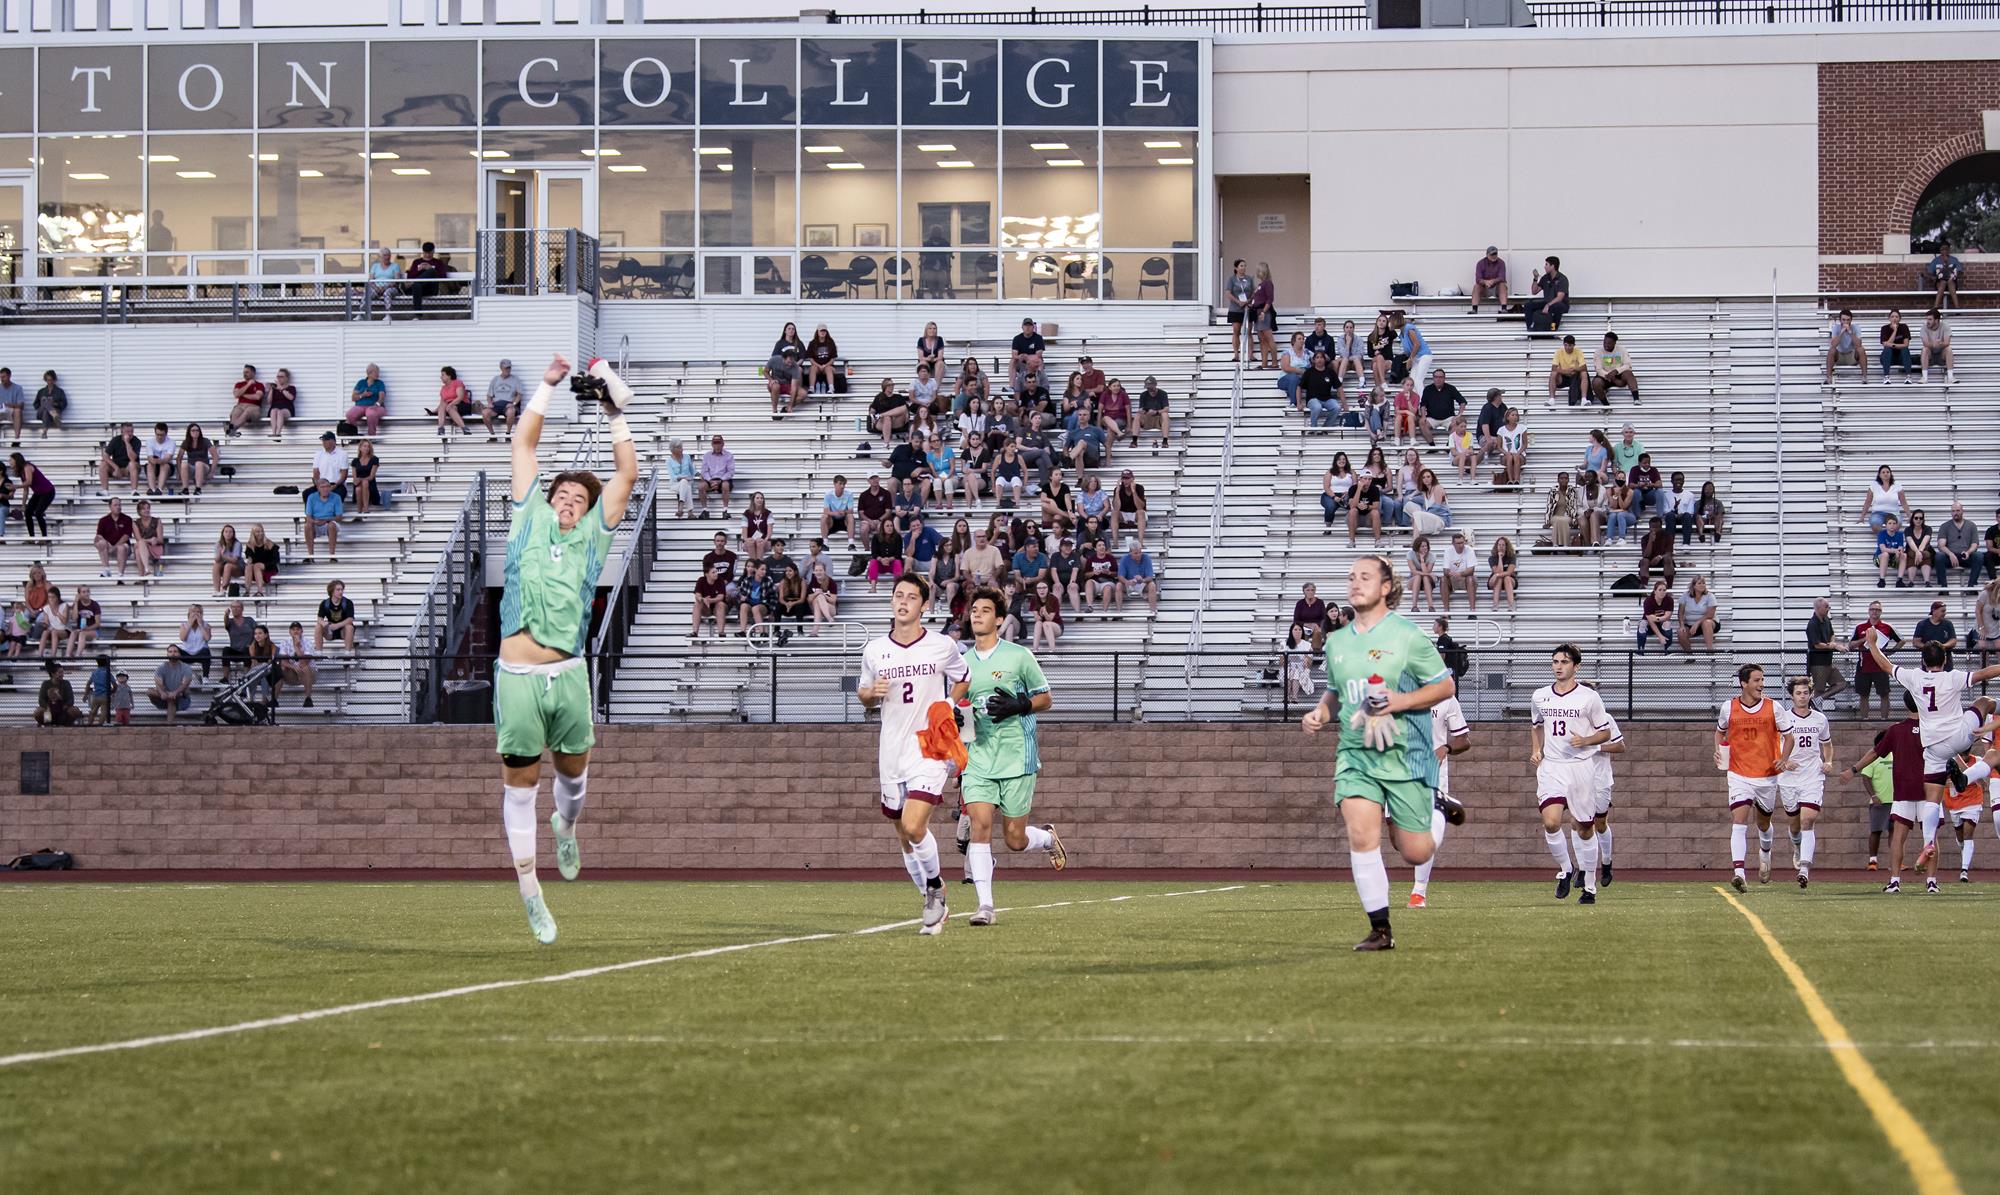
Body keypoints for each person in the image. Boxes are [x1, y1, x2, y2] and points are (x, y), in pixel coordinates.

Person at [494, 354, 639, 945]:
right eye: (564, 492)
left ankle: (568, 827)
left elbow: (625, 474)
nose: (570, 498)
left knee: (573, 779)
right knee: (519, 782)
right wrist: (547, 387)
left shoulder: (592, 535)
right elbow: (523, 444)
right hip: (518, 673)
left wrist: (613, 412)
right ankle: (530, 888)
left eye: (580, 495)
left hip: (570, 673)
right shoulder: (528, 511)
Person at [1302, 555, 1457, 950]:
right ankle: (1381, 929)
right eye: (1351, 576)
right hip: (1356, 754)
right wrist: (1320, 712)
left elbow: (1444, 688)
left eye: (1365, 577)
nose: (1355, 583)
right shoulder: (1336, 642)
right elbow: (1337, 693)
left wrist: (1401, 700)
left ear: (1386, 587)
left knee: (1416, 851)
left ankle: (1436, 806)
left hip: (1406, 754)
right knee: (1361, 833)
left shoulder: (1408, 636)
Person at [856, 574, 969, 936]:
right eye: (898, 595)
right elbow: (863, 695)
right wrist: (870, 693)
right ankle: (930, 897)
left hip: (928, 748)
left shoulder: (941, 646)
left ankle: (936, 888)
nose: (903, 601)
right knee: (904, 835)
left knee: (914, 824)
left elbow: (963, 677)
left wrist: (948, 703)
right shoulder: (874, 650)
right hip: (891, 751)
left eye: (911, 597)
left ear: (923, 605)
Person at [958, 585, 1065, 925]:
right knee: (980, 824)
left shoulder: (1020, 657)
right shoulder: (962, 663)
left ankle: (1046, 838)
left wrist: (1020, 704)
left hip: (1017, 756)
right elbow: (956, 707)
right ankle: (985, 906)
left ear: (1000, 619)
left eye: (985, 610)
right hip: (978, 757)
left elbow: (1046, 698)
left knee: (1015, 840)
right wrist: (959, 722)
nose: (977, 614)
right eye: (975, 610)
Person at [1531, 644, 1617, 903]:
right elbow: (1535, 725)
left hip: (1581, 767)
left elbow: (1606, 733)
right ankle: (1566, 869)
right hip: (1552, 766)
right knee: (1551, 822)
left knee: (1584, 829)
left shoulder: (1589, 698)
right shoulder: (1540, 695)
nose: (1558, 666)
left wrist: (1587, 740)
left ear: (1576, 666)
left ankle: (1589, 885)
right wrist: (1537, 749)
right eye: (1555, 661)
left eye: (1564, 662)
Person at [1716, 663, 1792, 892]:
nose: (1762, 684)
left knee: (1763, 823)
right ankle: (1739, 873)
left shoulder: (1774, 708)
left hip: (1767, 776)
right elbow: (1720, 731)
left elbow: (1789, 738)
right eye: (1757, 680)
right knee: (1739, 821)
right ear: (1744, 683)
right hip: (1739, 774)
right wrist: (1719, 750)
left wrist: (1783, 759)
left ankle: (1765, 852)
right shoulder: (1728, 708)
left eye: (1762, 679)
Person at [1776, 675, 1832, 888]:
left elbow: (1827, 744)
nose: (1802, 697)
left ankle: (1805, 869)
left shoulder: (1820, 719)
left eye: (1805, 693)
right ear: (1791, 696)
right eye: (1798, 693)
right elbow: (1773, 744)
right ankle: (1797, 848)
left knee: (1808, 820)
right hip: (1789, 778)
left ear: (1810, 695)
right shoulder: (1783, 719)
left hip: (1812, 776)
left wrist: (1828, 761)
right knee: (1794, 824)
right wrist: (1784, 760)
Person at [149, 644, 197, 723]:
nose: (173, 654)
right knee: (149, 691)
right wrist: (162, 693)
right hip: (163, 698)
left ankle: (169, 726)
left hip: (182, 699)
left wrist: (175, 693)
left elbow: (184, 684)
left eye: (175, 651)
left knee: (172, 699)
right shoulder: (162, 667)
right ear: (167, 654)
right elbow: (158, 683)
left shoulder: (185, 667)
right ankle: (169, 697)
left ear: (179, 654)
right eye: (170, 652)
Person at [274, 621, 317, 708]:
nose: (295, 631)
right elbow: (282, 661)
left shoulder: (308, 642)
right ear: (290, 632)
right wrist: (293, 666)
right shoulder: (285, 642)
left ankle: (308, 699)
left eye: (298, 629)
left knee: (305, 667)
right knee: (281, 668)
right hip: (292, 673)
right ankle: (274, 700)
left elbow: (304, 662)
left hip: (309, 674)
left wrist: (297, 647)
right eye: (293, 629)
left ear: (302, 631)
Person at [1822, 308, 1869, 386]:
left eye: (1848, 320)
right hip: (1839, 356)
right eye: (1843, 320)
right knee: (1831, 350)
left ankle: (1864, 377)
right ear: (1840, 320)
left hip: (1852, 356)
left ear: (1851, 320)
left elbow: (1858, 345)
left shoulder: (1856, 327)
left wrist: (1850, 332)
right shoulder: (1836, 327)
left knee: (1861, 349)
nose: (1845, 322)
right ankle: (1828, 378)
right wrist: (1841, 333)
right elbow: (1833, 344)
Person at [1522, 255, 1569, 333]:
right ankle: (1530, 328)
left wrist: (1548, 305)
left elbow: (1559, 298)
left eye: (1546, 264)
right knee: (1528, 305)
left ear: (1552, 266)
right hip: (1547, 303)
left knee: (1558, 307)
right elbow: (1534, 291)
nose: (1544, 267)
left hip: (1560, 304)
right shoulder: (1545, 278)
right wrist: (1535, 278)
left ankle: (1553, 329)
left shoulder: (1562, 279)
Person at [1590, 332, 1639, 405]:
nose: (1606, 345)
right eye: (1605, 342)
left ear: (1614, 343)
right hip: (1605, 376)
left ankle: (1636, 399)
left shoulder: (1622, 349)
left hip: (1619, 375)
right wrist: (1610, 376)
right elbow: (1599, 369)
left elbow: (1627, 365)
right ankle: (1606, 405)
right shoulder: (1598, 352)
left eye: (1609, 343)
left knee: (1628, 373)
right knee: (1596, 382)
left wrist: (1616, 371)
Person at [94, 497, 137, 581]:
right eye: (115, 505)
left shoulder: (127, 519)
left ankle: (120, 574)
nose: (118, 507)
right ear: (110, 507)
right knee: (101, 543)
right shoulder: (103, 520)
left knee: (121, 547)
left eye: (119, 505)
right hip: (109, 546)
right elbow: (99, 535)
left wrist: (115, 546)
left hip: (123, 546)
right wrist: (105, 543)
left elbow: (126, 536)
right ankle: (107, 570)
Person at [1418, 369, 1462, 445]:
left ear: (1444, 378)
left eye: (1441, 377)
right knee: (1422, 422)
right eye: (1436, 377)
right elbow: (1423, 404)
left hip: (1448, 418)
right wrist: (1423, 416)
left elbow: (1462, 402)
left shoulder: (1451, 388)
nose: (1438, 379)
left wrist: (1459, 415)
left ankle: (1449, 446)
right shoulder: (1428, 389)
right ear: (1433, 378)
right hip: (1432, 418)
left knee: (1458, 422)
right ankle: (1432, 446)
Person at [304, 477, 343, 562]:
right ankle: (311, 556)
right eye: (323, 487)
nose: (326, 489)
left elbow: (339, 517)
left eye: (327, 486)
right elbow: (308, 517)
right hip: (316, 522)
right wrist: (315, 522)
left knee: (332, 525)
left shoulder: (336, 497)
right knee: (307, 525)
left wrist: (326, 520)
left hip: (329, 521)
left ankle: (332, 556)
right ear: (318, 488)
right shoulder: (311, 497)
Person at [483, 358, 522, 441]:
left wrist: (514, 403)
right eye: (506, 368)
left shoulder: (515, 379)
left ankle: (508, 434)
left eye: (509, 368)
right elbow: (489, 395)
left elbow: (519, 395)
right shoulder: (495, 379)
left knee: (511, 411)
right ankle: (492, 435)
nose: (508, 370)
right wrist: (489, 403)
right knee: (485, 412)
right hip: (497, 405)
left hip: (509, 404)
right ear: (501, 368)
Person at [99, 421, 143, 494]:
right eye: (127, 431)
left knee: (132, 464)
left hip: (130, 468)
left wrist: (127, 443)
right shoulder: (115, 440)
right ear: (122, 431)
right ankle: (105, 491)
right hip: (117, 467)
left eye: (131, 431)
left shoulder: (136, 441)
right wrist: (116, 468)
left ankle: (134, 491)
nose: (130, 434)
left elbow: (132, 458)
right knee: (103, 464)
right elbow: (105, 455)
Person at [1117, 539, 1159, 615]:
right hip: (1129, 583)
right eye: (1136, 553)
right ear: (1130, 552)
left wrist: (1142, 580)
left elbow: (1150, 577)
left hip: (1142, 583)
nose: (1138, 555)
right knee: (1118, 585)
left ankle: (1153, 611)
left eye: (1140, 552)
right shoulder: (1124, 559)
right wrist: (1127, 582)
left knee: (1152, 585)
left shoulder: (1146, 558)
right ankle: (1119, 612)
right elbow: (1120, 576)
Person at [697, 434, 734, 519]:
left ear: (722, 444)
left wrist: (720, 480)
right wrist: (710, 480)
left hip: (723, 479)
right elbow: (704, 471)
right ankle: (705, 510)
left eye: (719, 443)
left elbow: (730, 472)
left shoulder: (729, 455)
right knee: (701, 486)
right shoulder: (707, 455)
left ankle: (725, 510)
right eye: (715, 443)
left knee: (725, 485)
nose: (717, 445)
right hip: (710, 479)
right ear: (712, 444)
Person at [431, 366, 475, 437]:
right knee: (443, 406)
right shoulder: (443, 388)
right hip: (450, 407)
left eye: (443, 375)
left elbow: (460, 397)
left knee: (449, 407)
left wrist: (450, 404)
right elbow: (441, 403)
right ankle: (441, 429)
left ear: (449, 375)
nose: (441, 377)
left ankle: (464, 428)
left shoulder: (457, 383)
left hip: (463, 405)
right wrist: (433, 412)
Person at [1249, 263, 1278, 369]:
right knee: (1262, 339)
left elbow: (1270, 299)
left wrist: (1264, 312)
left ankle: (1274, 362)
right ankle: (1264, 363)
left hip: (1263, 312)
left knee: (1268, 337)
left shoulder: (1268, 283)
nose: (1257, 272)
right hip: (1257, 312)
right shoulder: (1260, 285)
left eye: (1258, 270)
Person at [1223, 259, 1253, 361]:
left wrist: (1249, 300)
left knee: (1249, 332)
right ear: (1236, 268)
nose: (1243, 268)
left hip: (1247, 308)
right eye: (1241, 266)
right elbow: (1228, 293)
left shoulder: (1249, 279)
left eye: (1245, 266)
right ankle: (1236, 354)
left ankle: (1250, 354)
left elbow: (1254, 292)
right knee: (1236, 331)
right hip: (1235, 309)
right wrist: (1237, 301)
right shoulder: (1232, 279)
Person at [225, 364, 266, 437]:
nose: (244, 374)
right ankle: (232, 430)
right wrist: (248, 385)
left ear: (253, 373)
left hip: (254, 407)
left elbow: (257, 397)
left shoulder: (259, 385)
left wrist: (243, 394)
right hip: (241, 405)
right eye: (244, 372)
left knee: (248, 411)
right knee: (236, 411)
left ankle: (231, 428)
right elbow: (236, 395)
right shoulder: (239, 384)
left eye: (247, 372)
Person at [346, 363, 386, 437]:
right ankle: (354, 436)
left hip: (374, 406)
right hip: (361, 406)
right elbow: (353, 398)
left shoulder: (380, 383)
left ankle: (371, 437)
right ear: (369, 373)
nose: (378, 374)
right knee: (350, 415)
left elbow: (382, 397)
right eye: (376, 372)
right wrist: (363, 395)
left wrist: (377, 404)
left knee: (371, 413)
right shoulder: (361, 383)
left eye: (378, 372)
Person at [35, 660, 79, 726]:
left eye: (63, 672)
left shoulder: (66, 683)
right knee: (38, 712)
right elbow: (41, 700)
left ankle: (66, 724)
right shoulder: (45, 684)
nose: (62, 675)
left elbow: (71, 699)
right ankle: (47, 724)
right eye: (60, 673)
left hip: (63, 709)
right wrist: (47, 707)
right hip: (49, 709)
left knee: (74, 711)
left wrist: (64, 706)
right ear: (53, 674)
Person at [1638, 579, 1676, 654]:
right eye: (1660, 590)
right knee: (1642, 624)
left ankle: (1667, 650)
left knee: (1667, 624)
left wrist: (1657, 619)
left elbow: (1667, 616)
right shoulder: (1648, 601)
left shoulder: (1669, 600)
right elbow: (1650, 620)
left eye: (1664, 590)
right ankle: (1640, 650)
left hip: (1661, 623)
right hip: (1650, 626)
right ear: (1655, 591)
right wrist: (1660, 636)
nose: (1662, 592)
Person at [1919, 307, 1956, 384]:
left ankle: (1950, 377)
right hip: (1930, 356)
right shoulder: (1924, 327)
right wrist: (1933, 344)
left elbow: (1947, 342)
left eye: (1930, 319)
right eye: (1927, 319)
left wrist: (1940, 343)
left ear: (1936, 320)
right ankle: (1924, 377)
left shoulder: (1945, 326)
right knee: (1925, 349)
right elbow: (1925, 343)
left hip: (1941, 356)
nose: (1927, 322)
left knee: (1948, 349)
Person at [1922, 242, 1964, 310]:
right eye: (1942, 249)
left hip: (1952, 282)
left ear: (1949, 250)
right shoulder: (1936, 260)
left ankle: (1957, 308)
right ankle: (1935, 307)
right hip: (1939, 283)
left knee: (1950, 282)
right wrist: (1933, 278)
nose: (1944, 251)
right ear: (1940, 251)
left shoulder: (1954, 260)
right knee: (1943, 282)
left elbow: (1959, 271)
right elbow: (1929, 273)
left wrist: (1948, 263)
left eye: (1946, 249)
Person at [1547, 334, 1586, 407]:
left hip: (1575, 376)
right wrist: (1566, 371)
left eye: (1570, 345)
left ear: (1574, 345)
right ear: (1563, 344)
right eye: (1566, 345)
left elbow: (1584, 367)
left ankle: (1584, 399)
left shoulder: (1578, 351)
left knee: (1583, 373)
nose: (1567, 347)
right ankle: (1551, 399)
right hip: (1563, 377)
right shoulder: (1558, 352)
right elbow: (1554, 368)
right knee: (1553, 373)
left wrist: (1574, 369)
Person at [365, 246, 404, 319]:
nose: (387, 257)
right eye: (385, 255)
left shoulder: (395, 266)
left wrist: (385, 287)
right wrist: (376, 288)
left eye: (388, 255)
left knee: (387, 293)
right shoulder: (375, 266)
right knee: (368, 293)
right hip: (376, 288)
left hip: (391, 288)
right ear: (380, 257)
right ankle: (361, 313)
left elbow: (396, 281)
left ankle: (388, 314)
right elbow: (370, 280)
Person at [1134, 376, 1172, 448]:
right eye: (1148, 387)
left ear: (1155, 385)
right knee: (1137, 415)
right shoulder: (1143, 395)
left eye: (1151, 387)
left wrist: (1156, 412)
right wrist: (1146, 411)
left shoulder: (1163, 393)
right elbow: (1141, 409)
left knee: (1165, 415)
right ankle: (1134, 441)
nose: (1150, 389)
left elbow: (1166, 409)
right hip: (1148, 418)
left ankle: (1165, 441)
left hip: (1159, 419)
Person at [1879, 308, 1915, 383]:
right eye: (1892, 317)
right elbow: (1886, 346)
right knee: (1888, 350)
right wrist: (1895, 330)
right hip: (1888, 358)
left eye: (1896, 317)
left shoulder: (1904, 327)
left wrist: (1893, 345)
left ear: (1900, 318)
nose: (1894, 319)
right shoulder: (1884, 328)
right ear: (1889, 318)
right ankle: (1886, 377)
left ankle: (1908, 376)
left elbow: (1906, 345)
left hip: (1901, 358)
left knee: (1904, 349)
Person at [1639, 515, 1676, 587]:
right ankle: (1644, 586)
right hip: (1650, 562)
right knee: (1644, 561)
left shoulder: (1668, 536)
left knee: (1668, 559)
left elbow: (1669, 553)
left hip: (1663, 561)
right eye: (1652, 527)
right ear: (1649, 527)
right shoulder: (1645, 538)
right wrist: (1650, 541)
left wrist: (1659, 557)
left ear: (1661, 527)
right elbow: (1646, 555)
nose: (1654, 530)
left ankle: (1669, 587)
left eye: (1656, 527)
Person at [244, 523, 281, 597]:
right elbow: (249, 557)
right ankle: (247, 591)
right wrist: (249, 560)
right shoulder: (250, 545)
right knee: (249, 566)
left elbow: (276, 560)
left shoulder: (270, 544)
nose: (260, 533)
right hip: (254, 569)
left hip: (269, 567)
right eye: (257, 532)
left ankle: (260, 592)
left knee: (257, 565)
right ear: (253, 533)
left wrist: (263, 565)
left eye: (261, 531)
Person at [1876, 513, 1911, 588]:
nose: (1892, 525)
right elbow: (1883, 549)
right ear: (1885, 524)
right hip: (1879, 559)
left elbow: (1901, 547)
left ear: (1897, 525)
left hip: (1893, 559)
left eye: (1894, 523)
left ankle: (1899, 580)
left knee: (1904, 555)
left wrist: (1899, 552)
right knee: (1885, 554)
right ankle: (1882, 579)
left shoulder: (1900, 534)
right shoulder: (1881, 533)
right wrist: (1895, 550)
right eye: (1889, 523)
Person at [1470, 245, 1508, 313]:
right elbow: (1478, 279)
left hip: (1497, 288)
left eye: (1495, 254)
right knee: (1476, 286)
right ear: (1487, 255)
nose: (1494, 256)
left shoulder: (1501, 263)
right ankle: (1474, 309)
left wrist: (1493, 281)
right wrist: (1485, 282)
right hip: (1484, 288)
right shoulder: (1480, 263)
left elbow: (1502, 278)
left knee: (1502, 285)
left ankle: (1504, 308)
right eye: (1492, 254)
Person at [1406, 534, 1439, 613]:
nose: (1425, 548)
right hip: (1414, 580)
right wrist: (1429, 574)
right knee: (1418, 576)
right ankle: (1414, 606)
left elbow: (1426, 571)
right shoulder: (1410, 554)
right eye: (1422, 546)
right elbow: (1414, 571)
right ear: (1417, 547)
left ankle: (1431, 606)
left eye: (1426, 546)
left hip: (1426, 582)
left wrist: (1422, 560)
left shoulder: (1432, 556)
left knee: (1425, 577)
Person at [132, 499, 166, 577]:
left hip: (155, 547)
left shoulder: (157, 520)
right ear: (139, 511)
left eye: (148, 508)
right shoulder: (135, 523)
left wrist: (156, 540)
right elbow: (138, 539)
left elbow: (160, 539)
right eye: (144, 508)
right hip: (143, 547)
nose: (147, 510)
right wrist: (150, 540)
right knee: (139, 548)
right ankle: (146, 570)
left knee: (138, 548)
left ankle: (142, 576)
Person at [212, 524, 245, 596]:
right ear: (223, 533)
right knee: (216, 565)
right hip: (224, 569)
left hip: (238, 568)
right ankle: (217, 590)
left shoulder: (237, 544)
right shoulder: (218, 544)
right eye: (226, 532)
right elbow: (217, 560)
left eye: (230, 532)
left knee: (228, 566)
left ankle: (223, 589)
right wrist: (220, 553)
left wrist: (223, 556)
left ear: (233, 534)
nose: (228, 534)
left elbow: (235, 560)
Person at [1497, 409, 1527, 487]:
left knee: (1516, 456)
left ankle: (1516, 480)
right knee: (1509, 457)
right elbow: (1499, 446)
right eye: (1512, 415)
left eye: (1516, 415)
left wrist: (1518, 452)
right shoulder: (1501, 430)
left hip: (1519, 455)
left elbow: (1525, 444)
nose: (1515, 417)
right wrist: (1506, 453)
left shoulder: (1522, 428)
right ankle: (1510, 480)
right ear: (1507, 417)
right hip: (1505, 455)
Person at [1487, 536, 1518, 611]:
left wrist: (1497, 575)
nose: (1501, 547)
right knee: (1499, 578)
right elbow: (1497, 571)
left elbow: (1509, 572)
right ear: (1496, 546)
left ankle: (1511, 605)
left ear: (1506, 546)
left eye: (1503, 545)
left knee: (1506, 577)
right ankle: (1495, 605)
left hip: (1509, 580)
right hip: (1495, 581)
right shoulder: (1492, 558)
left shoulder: (1512, 556)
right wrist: (1500, 558)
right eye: (1499, 545)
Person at [265, 368, 297, 441]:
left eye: (281, 377)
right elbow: (269, 401)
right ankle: (274, 433)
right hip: (275, 408)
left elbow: (291, 398)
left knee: (280, 412)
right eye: (278, 377)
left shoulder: (291, 388)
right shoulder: (275, 389)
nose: (279, 379)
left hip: (286, 409)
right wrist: (271, 389)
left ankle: (278, 433)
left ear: (287, 378)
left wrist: (281, 389)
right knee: (273, 411)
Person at [84, 653, 114, 726]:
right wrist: (112, 691)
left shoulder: (94, 673)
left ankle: (89, 724)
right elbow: (115, 685)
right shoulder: (107, 673)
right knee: (104, 711)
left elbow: (88, 684)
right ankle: (100, 725)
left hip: (96, 695)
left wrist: (86, 694)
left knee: (93, 711)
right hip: (105, 696)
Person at [0, 366, 23, 446]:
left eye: (4, 377)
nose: (2, 379)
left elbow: (21, 405)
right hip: (1, 412)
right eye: (0, 377)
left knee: (18, 410)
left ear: (9, 376)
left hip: (11, 412)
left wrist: (10, 405)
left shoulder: (17, 388)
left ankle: (16, 439)